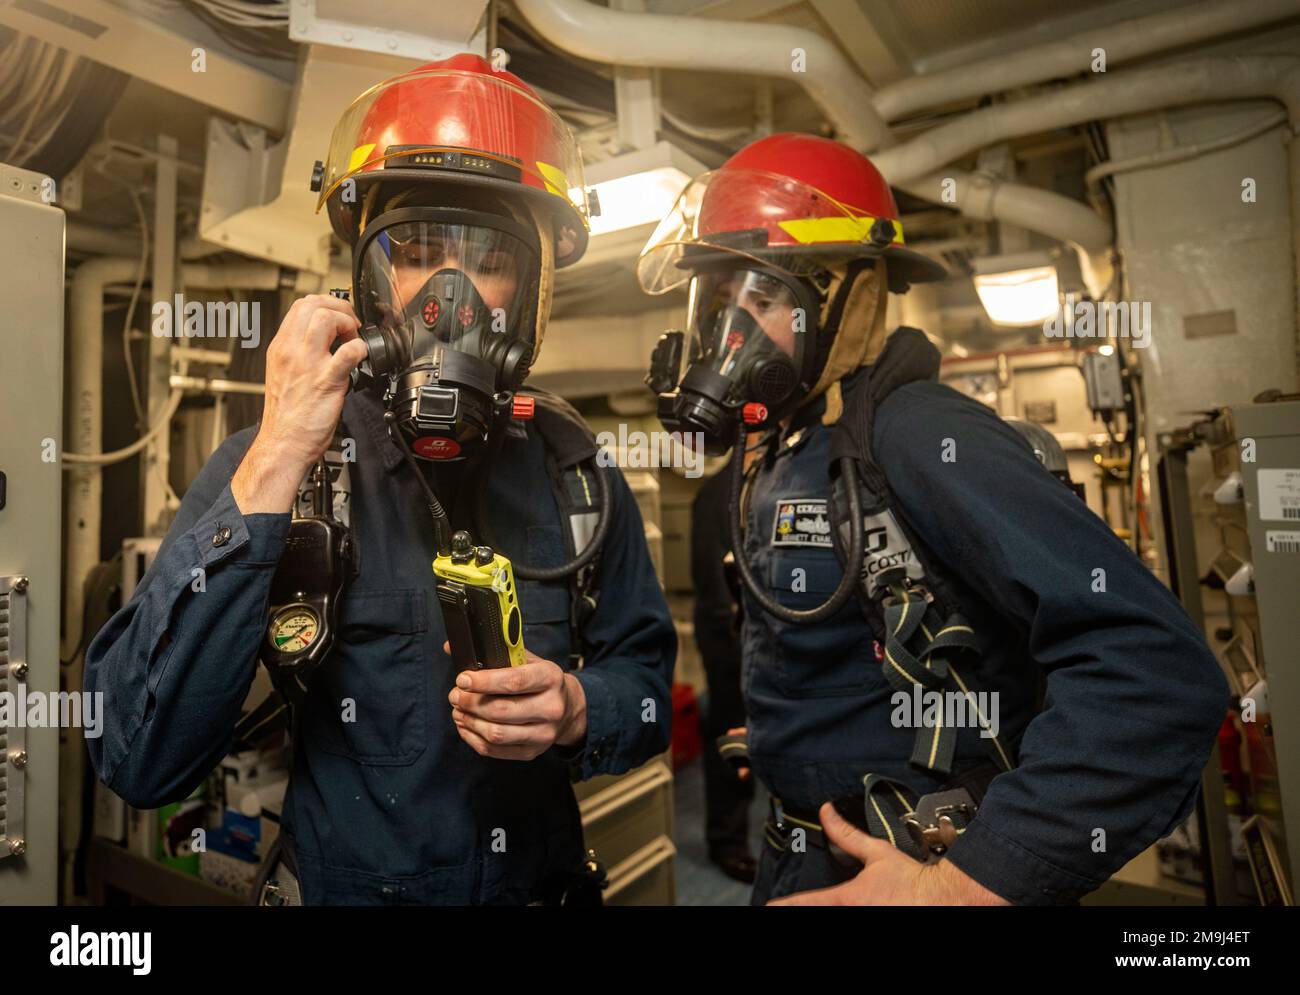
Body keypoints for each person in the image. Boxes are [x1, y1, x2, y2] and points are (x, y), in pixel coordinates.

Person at [84, 54, 675, 906]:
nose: (450, 298)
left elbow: (651, 690)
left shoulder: (575, 471)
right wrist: (277, 454)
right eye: (421, 251)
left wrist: (582, 708)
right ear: (368, 279)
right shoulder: (278, 466)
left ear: (532, 297)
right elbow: (135, 756)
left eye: (488, 261)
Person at [638, 132, 1228, 905]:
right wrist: (798, 735)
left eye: (768, 298)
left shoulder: (918, 433)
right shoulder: (789, 443)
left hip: (905, 868)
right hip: (801, 853)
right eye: (723, 301)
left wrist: (964, 887)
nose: (732, 335)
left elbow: (1158, 671)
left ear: (849, 300)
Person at [690, 469, 754, 882]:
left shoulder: (776, 478)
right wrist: (740, 649)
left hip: (765, 640)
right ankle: (727, 842)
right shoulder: (717, 492)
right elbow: (714, 587)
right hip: (729, 641)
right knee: (731, 738)